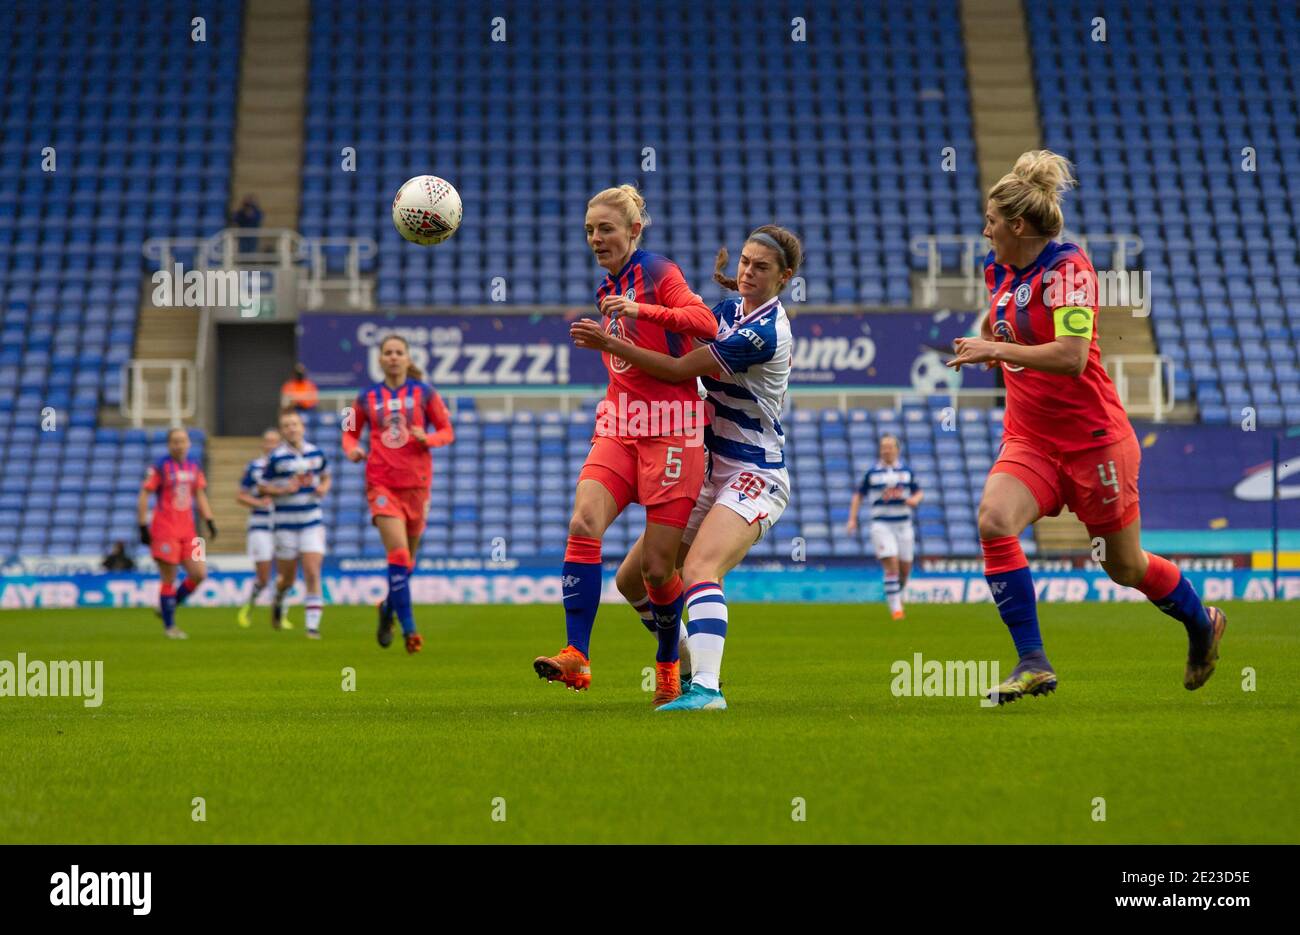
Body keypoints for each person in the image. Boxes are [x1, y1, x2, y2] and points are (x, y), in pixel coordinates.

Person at [946, 149, 1226, 704]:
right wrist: (993, 344)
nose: (985, 231)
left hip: (1094, 441)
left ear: (1018, 225)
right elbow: (1013, 327)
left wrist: (995, 349)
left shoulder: (1069, 270)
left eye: (992, 222)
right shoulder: (997, 268)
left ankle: (1201, 623)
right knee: (994, 520)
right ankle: (1032, 661)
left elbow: (1073, 357)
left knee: (1124, 566)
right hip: (1031, 439)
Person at [572, 225, 802, 711]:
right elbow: (682, 323)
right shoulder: (727, 311)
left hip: (753, 472)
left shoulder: (764, 332)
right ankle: (682, 654)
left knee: (700, 567)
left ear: (785, 278)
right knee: (633, 579)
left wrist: (613, 342)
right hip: (709, 464)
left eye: (762, 268)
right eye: (744, 262)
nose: (748, 273)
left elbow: (678, 370)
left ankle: (708, 690)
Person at [532, 184, 717, 706]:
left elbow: (704, 323)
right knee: (582, 523)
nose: (595, 238)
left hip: (674, 429)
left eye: (606, 228)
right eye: (590, 230)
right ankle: (577, 655)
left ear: (634, 230)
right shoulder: (606, 287)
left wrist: (640, 310)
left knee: (658, 570)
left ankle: (666, 660)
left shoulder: (658, 272)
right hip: (620, 425)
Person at [342, 333, 454, 654]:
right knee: (399, 556)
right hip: (381, 484)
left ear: (407, 358)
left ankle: (387, 608)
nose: (392, 357)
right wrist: (352, 450)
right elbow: (349, 435)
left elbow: (447, 431)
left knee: (408, 565)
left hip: (417, 485)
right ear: (379, 359)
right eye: (387, 352)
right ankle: (410, 630)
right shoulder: (365, 398)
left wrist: (426, 439)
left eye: (398, 352)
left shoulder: (425, 393)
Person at [137, 427, 215, 639]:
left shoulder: (194, 465)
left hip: (189, 530)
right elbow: (144, 494)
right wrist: (142, 525)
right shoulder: (160, 466)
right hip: (165, 529)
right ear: (169, 444)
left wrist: (209, 520)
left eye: (183, 441)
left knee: (200, 574)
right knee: (168, 578)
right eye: (175, 441)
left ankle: (168, 607)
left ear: (189, 443)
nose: (179, 445)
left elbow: (199, 494)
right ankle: (170, 627)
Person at [260, 409, 331, 639]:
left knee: (312, 572)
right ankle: (279, 598)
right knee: (287, 579)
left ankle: (312, 627)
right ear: (282, 431)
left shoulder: (316, 453)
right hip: (285, 525)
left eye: (295, 424)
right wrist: (281, 490)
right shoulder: (276, 457)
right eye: (287, 425)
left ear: (302, 427)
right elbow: (262, 487)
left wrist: (323, 488)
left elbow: (326, 476)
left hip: (311, 521)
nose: (292, 428)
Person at [846, 434, 923, 620]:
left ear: (897, 449)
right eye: (883, 447)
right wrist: (852, 519)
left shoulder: (906, 471)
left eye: (890, 446)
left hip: (904, 525)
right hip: (882, 525)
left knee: (905, 569)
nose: (886, 450)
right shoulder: (872, 473)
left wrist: (914, 500)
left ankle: (896, 596)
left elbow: (918, 492)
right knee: (892, 565)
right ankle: (896, 610)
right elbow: (858, 496)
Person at [235, 428, 283, 629]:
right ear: (263, 445)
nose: (271, 445)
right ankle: (250, 606)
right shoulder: (254, 467)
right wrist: (257, 502)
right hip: (260, 525)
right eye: (268, 442)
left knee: (284, 575)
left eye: (275, 442)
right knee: (263, 577)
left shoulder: (286, 464)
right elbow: (240, 495)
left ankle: (279, 615)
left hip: (282, 523)